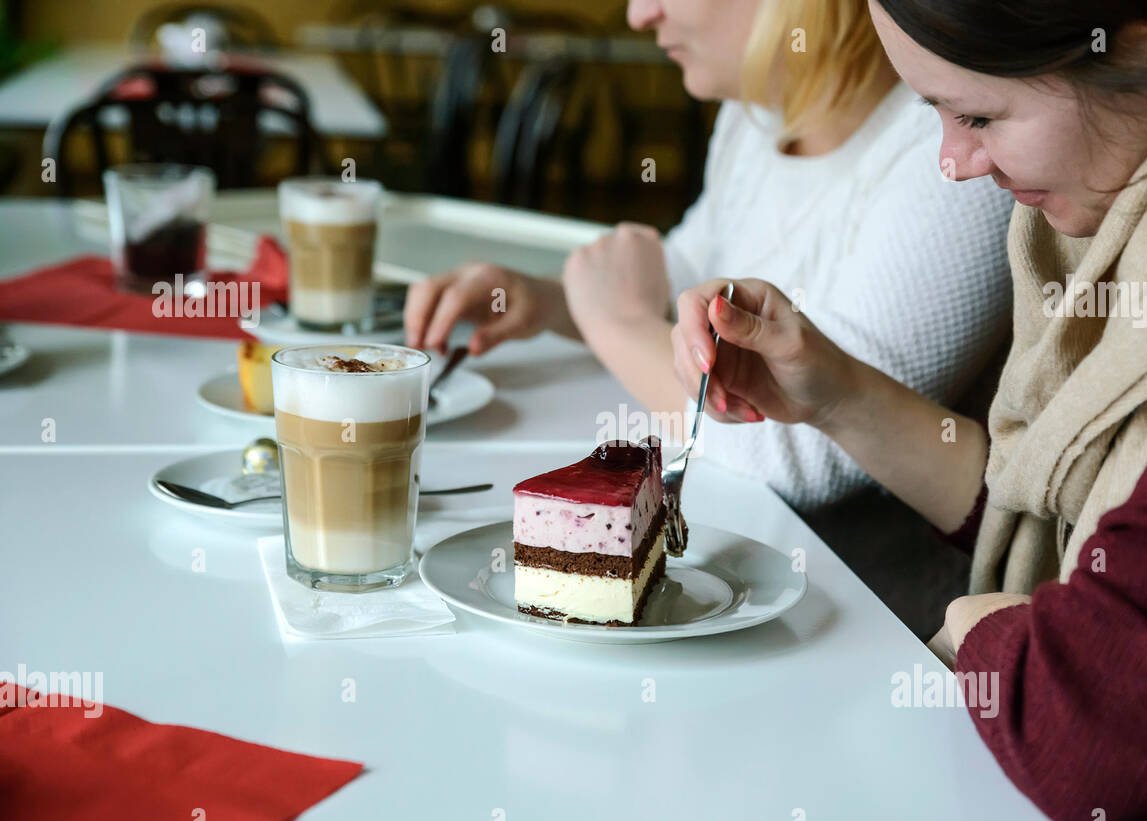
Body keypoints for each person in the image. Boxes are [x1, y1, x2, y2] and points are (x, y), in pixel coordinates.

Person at [671, 0, 1147, 821]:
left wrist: (980, 627)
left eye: (978, 116)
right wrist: (831, 390)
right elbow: (1037, 499)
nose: (952, 163)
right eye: (932, 111)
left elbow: (1105, 736)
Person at [405, 0, 1013, 514]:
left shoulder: (958, 148)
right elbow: (686, 287)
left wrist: (615, 322)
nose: (639, 13)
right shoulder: (756, 119)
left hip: (882, 623)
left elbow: (796, 454)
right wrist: (545, 301)